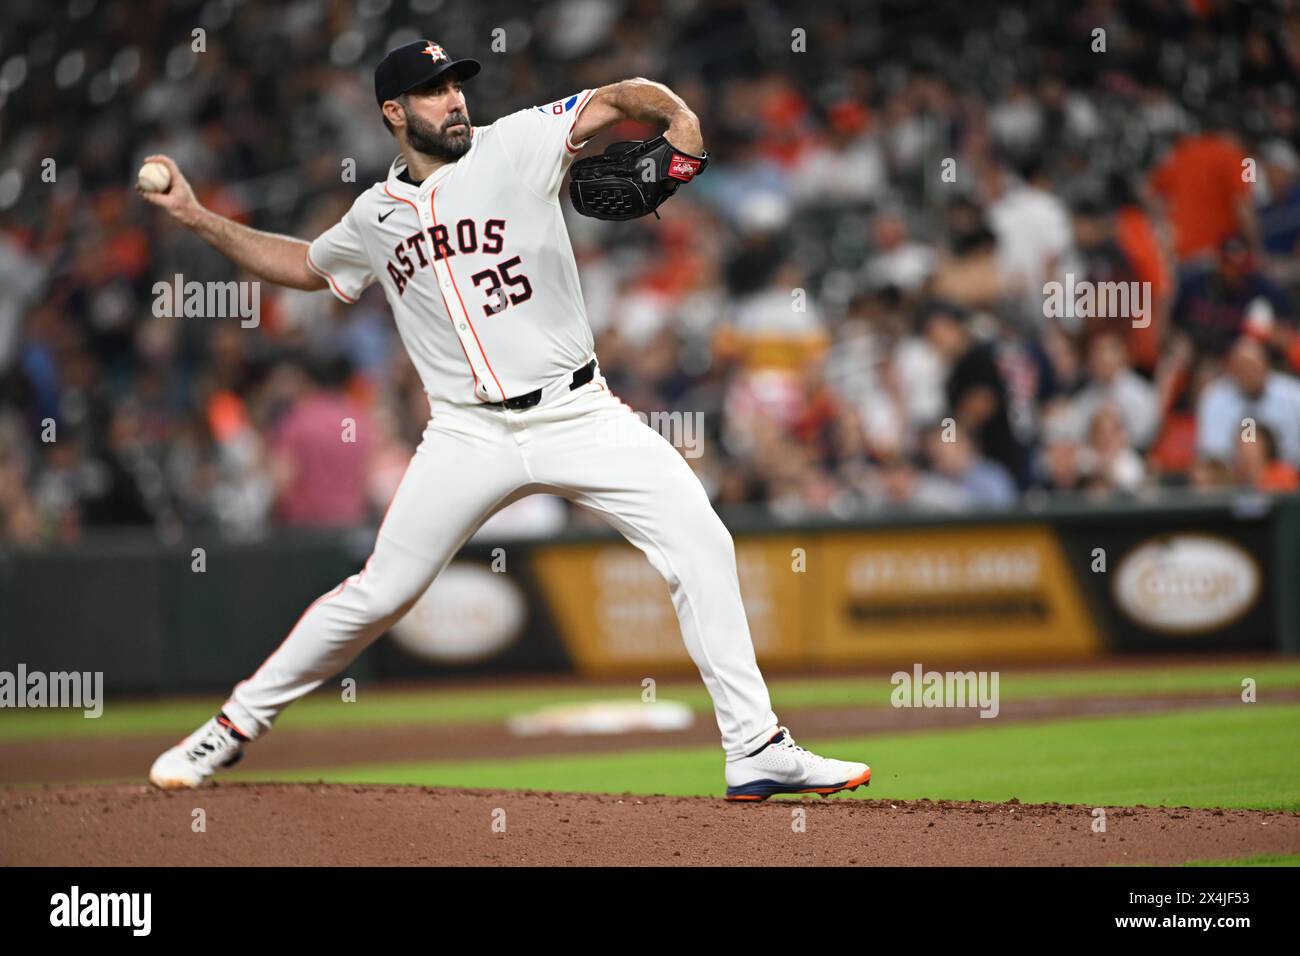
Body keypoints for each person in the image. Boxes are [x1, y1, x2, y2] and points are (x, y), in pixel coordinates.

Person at [138, 39, 869, 802]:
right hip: (466, 434)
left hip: (576, 409)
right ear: (394, 113)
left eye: (456, 83)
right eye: (431, 90)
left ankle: (754, 748)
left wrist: (680, 123)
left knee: (702, 540)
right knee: (379, 594)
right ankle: (228, 730)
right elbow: (304, 267)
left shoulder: (519, 140)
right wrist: (195, 217)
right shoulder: (373, 216)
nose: (453, 99)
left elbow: (621, 97)